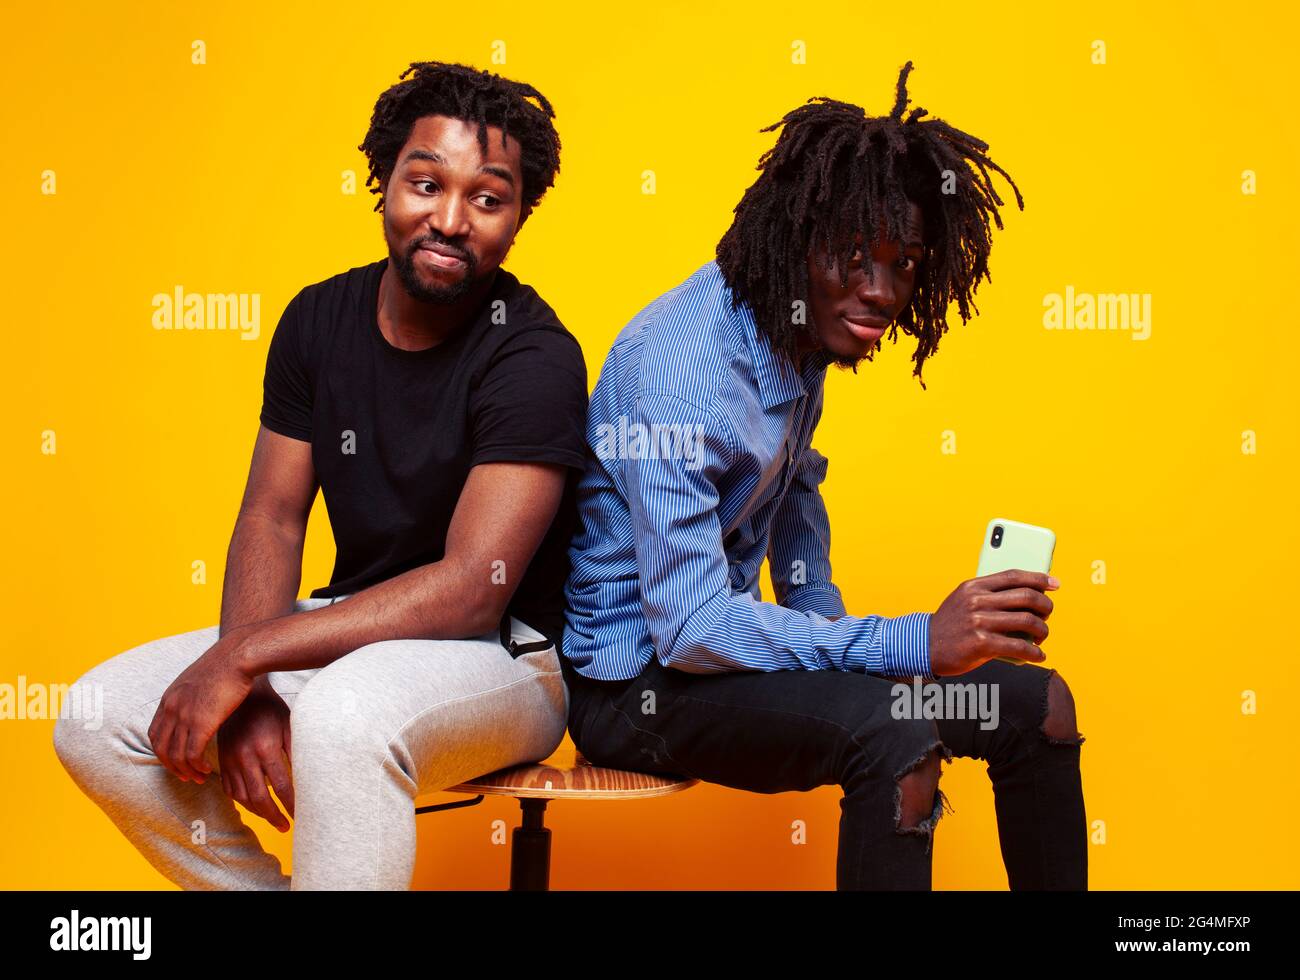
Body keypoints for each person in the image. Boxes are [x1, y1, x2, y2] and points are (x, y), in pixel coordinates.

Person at [53, 61, 589, 890]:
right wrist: (253, 680)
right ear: (383, 184)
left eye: (487, 199)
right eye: (424, 183)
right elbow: (272, 516)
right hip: (346, 629)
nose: (450, 220)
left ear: (518, 218)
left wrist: (243, 660)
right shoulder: (317, 320)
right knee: (95, 720)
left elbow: (470, 588)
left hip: (506, 661)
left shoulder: (534, 355)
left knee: (343, 717)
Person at [560, 61, 1087, 890]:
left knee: (1035, 706)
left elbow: (795, 509)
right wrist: (909, 642)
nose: (881, 294)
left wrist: (858, 656)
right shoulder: (681, 376)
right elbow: (691, 628)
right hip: (641, 689)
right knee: (896, 733)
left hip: (730, 664)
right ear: (794, 237)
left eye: (904, 264)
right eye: (852, 257)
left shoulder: (796, 331)